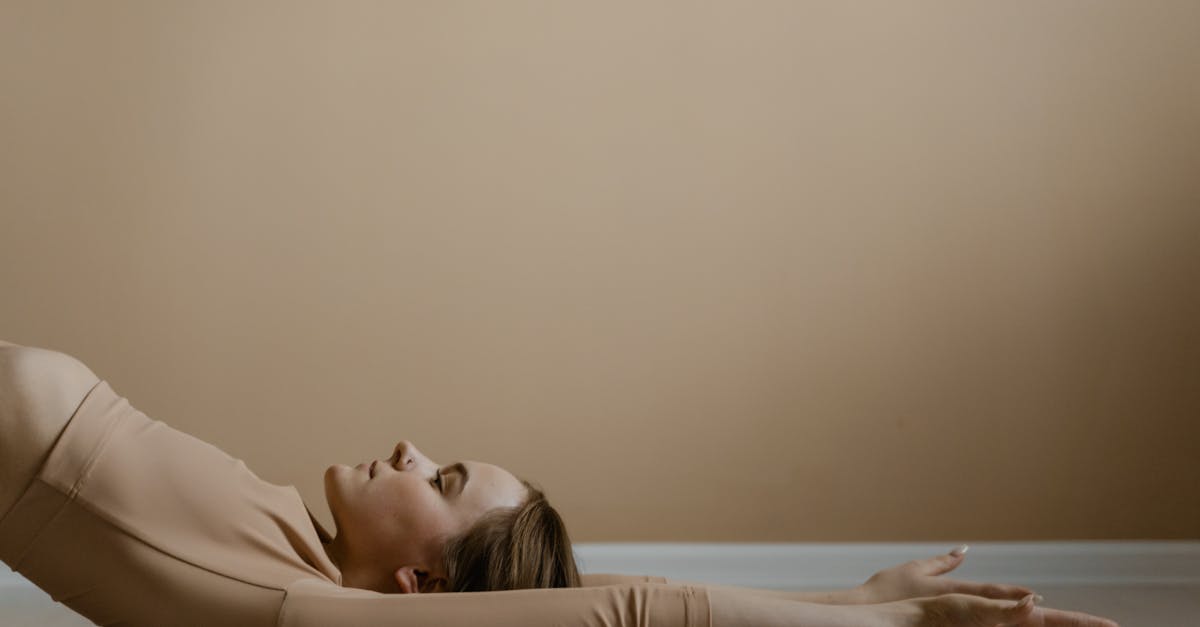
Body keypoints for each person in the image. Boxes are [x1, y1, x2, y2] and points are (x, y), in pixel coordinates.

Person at [0, 340, 1118, 626]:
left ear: (423, 589)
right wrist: (856, 596)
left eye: (438, 478)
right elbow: (625, 582)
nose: (404, 447)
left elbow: (630, 614)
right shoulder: (297, 555)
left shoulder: (307, 611)